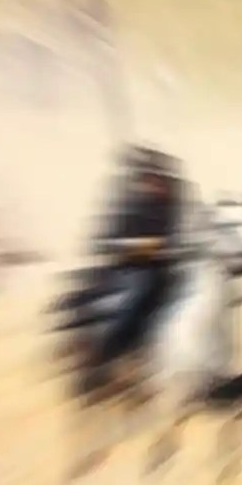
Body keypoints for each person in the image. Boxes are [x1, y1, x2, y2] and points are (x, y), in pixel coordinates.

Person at [78, 145, 180, 397]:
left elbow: (175, 236)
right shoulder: (125, 202)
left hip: (162, 268)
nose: (156, 184)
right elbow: (106, 239)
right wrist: (137, 247)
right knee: (133, 299)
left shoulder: (170, 203)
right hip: (128, 267)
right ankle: (104, 361)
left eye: (159, 179)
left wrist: (168, 250)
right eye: (151, 178)